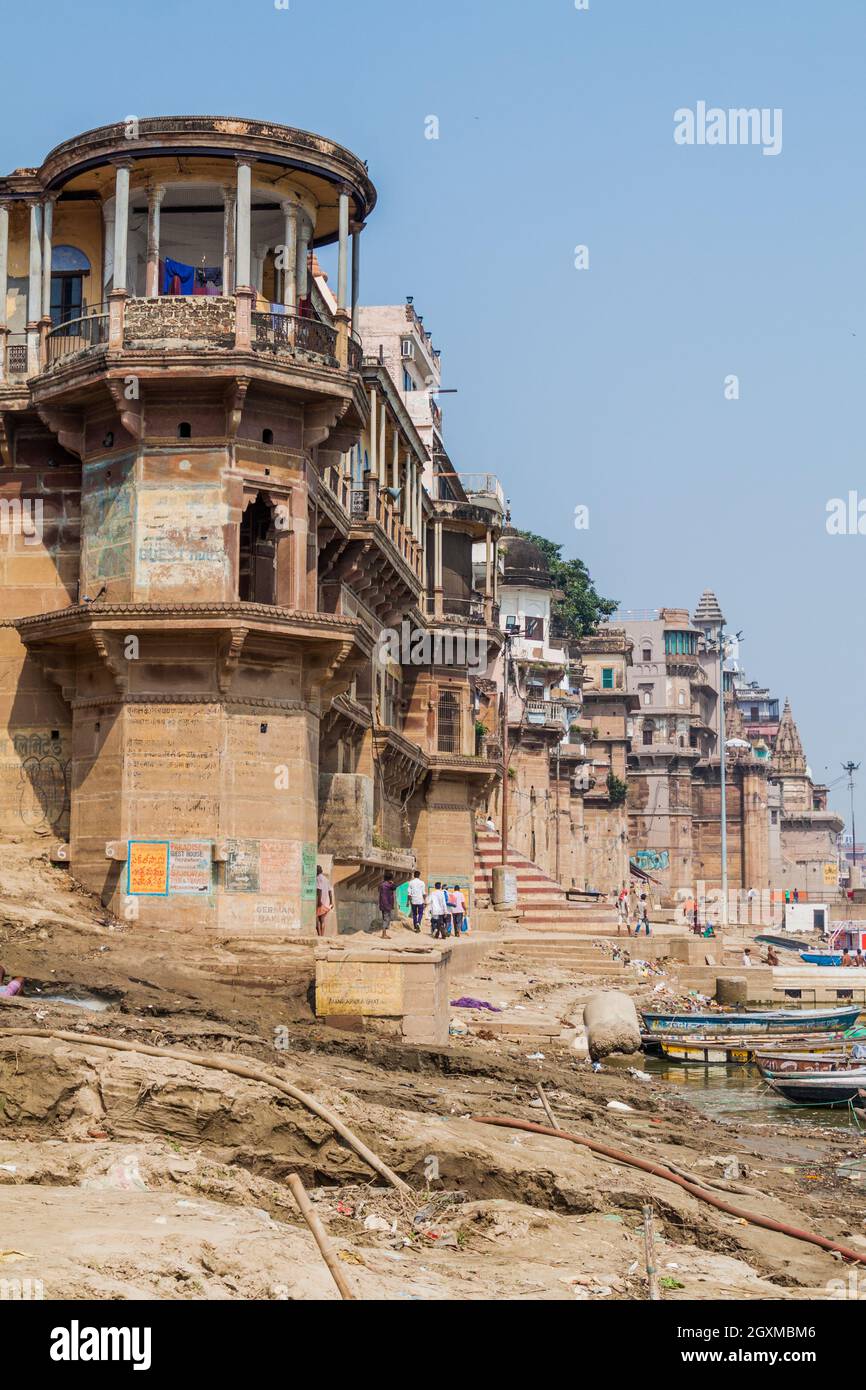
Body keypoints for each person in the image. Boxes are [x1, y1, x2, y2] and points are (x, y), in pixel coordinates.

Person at [315, 864, 333, 938]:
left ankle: (320, 936)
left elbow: (319, 890)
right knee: (322, 919)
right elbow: (330, 892)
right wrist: (331, 902)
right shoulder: (326, 879)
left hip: (321, 902)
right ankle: (322, 935)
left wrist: (319, 901)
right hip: (327, 903)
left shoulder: (318, 878)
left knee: (319, 920)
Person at [377, 871, 396, 939]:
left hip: (382, 903)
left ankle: (384, 933)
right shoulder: (389, 885)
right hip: (387, 904)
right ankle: (384, 934)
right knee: (386, 919)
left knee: (384, 918)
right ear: (390, 878)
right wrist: (392, 883)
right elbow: (394, 887)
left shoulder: (382, 884)